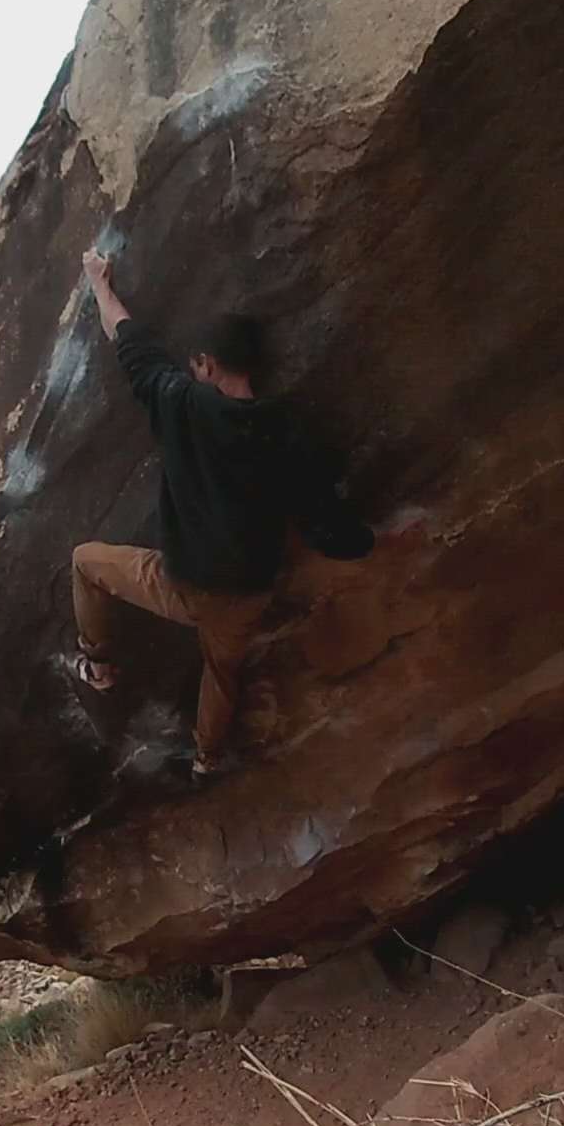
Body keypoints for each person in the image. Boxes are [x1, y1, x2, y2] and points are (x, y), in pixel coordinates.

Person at [71, 247, 374, 779]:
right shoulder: (288, 432)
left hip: (187, 587)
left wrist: (100, 283)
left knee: (85, 561)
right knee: (222, 671)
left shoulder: (183, 403)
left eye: (195, 366)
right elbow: (329, 524)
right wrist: (365, 542)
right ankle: (207, 759)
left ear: (206, 364)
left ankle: (97, 664)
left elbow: (131, 344)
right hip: (249, 597)